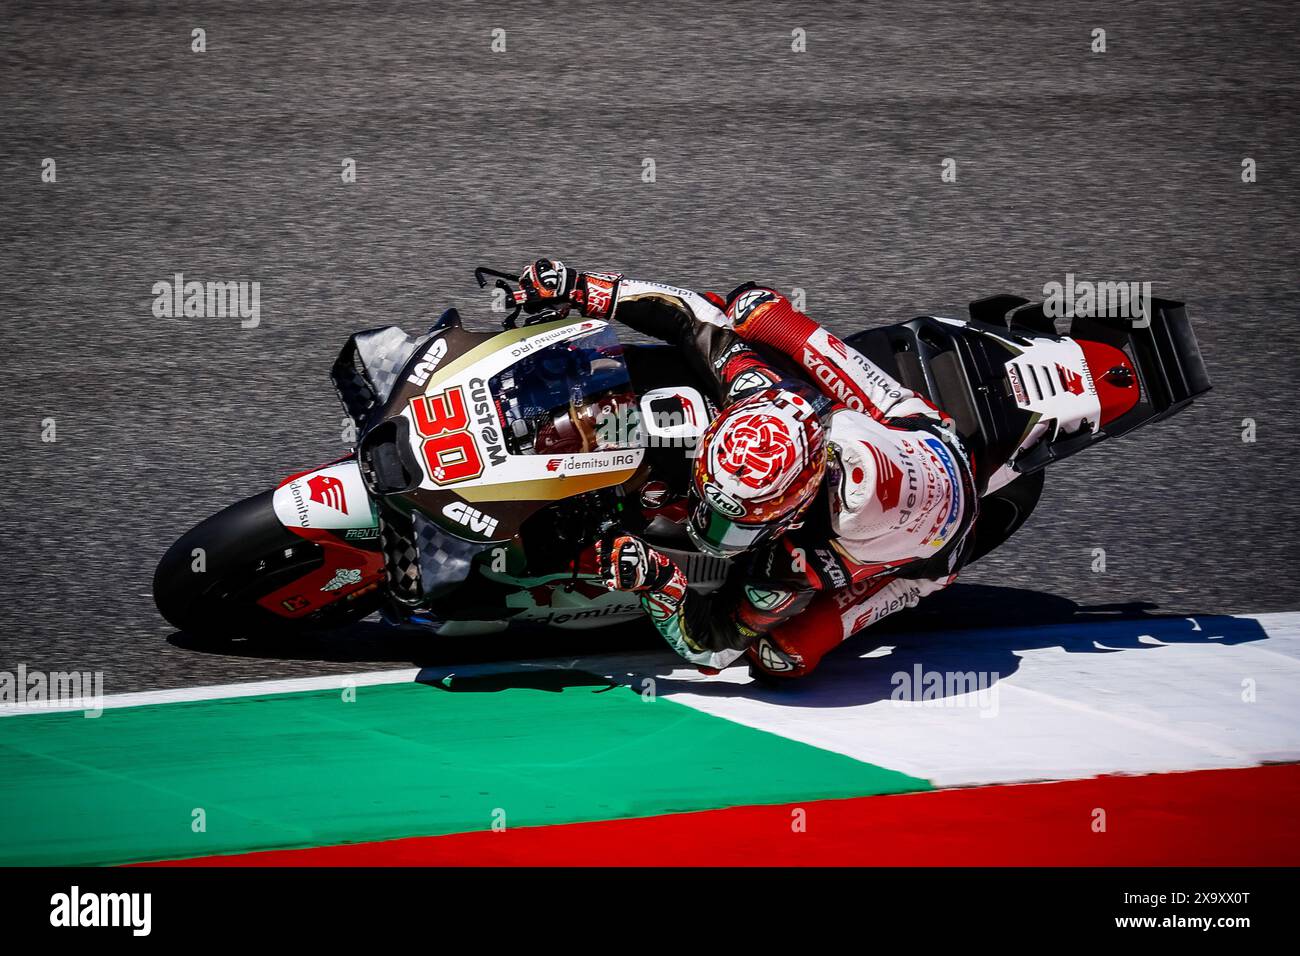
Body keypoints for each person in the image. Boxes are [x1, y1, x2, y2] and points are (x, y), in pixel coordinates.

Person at [516, 258, 978, 679]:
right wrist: (581, 287)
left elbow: (712, 646)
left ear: (793, 515)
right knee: (751, 307)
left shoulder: (800, 564)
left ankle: (919, 584)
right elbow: (693, 313)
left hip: (939, 531)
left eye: (735, 524)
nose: (708, 524)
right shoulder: (760, 393)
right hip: (899, 426)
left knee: (781, 657)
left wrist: (659, 582)